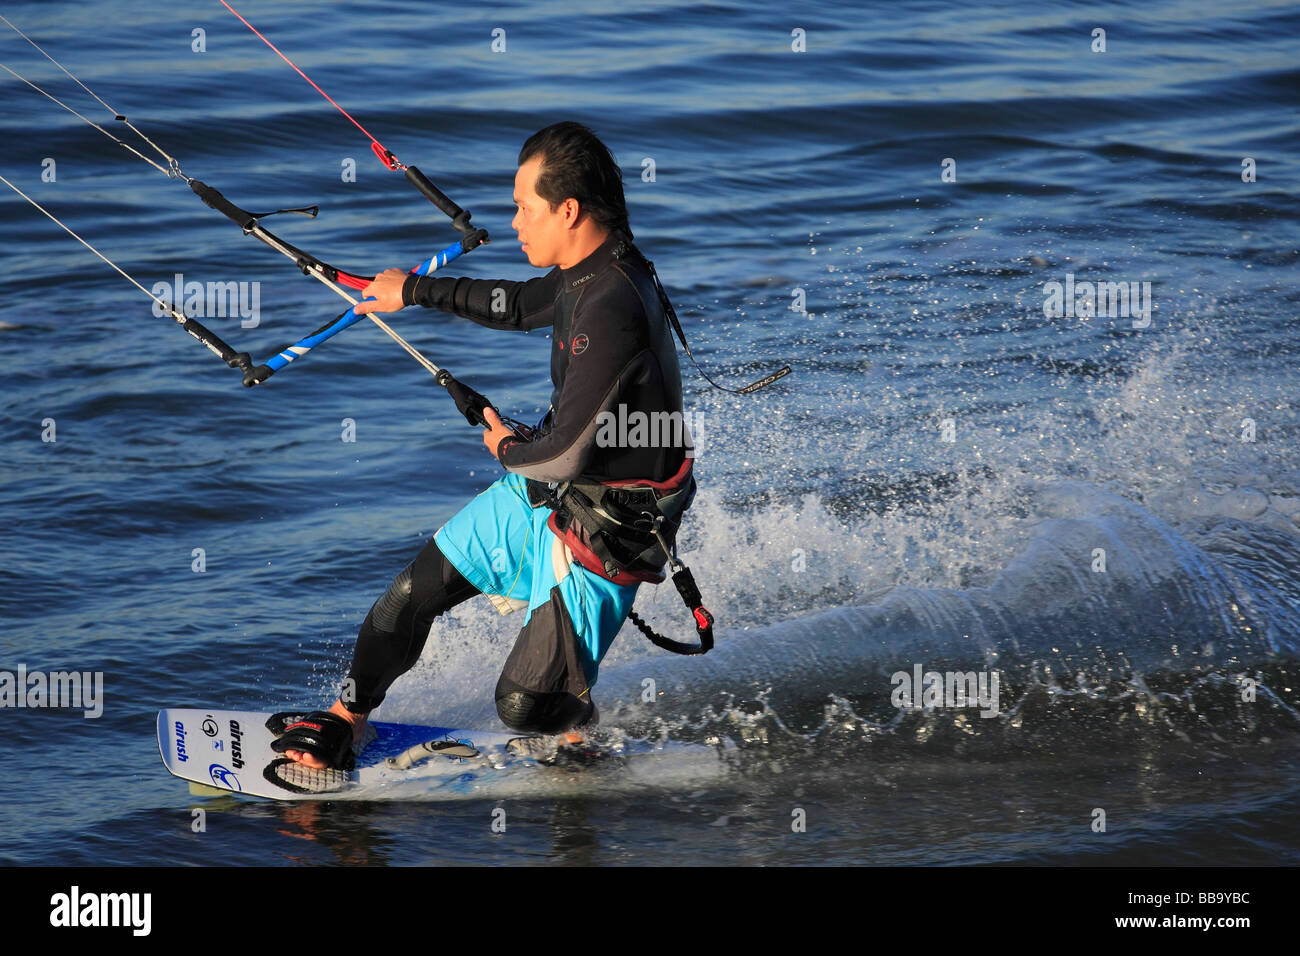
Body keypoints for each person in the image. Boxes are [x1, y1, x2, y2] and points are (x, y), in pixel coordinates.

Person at [273, 121, 695, 771]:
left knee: (524, 706)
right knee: (411, 595)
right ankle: (348, 719)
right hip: (556, 483)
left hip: (610, 530)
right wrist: (411, 290)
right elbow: (516, 304)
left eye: (525, 207)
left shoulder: (613, 303)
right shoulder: (588, 269)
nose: (515, 222)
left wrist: (504, 449)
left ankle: (579, 726)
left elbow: (561, 456)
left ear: (568, 210)